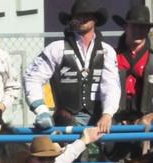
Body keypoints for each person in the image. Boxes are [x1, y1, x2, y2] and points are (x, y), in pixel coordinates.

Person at [24, 0, 119, 133]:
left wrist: (107, 114)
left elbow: (111, 85)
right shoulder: (56, 48)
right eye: (78, 16)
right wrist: (41, 111)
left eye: (88, 15)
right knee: (71, 147)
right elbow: (32, 77)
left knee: (116, 143)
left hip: (99, 117)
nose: (83, 18)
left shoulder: (107, 51)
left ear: (95, 19)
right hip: (66, 118)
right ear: (71, 20)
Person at [113, 5, 153, 122]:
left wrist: (150, 117)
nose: (138, 31)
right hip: (116, 116)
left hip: (147, 117)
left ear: (147, 30)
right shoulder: (111, 56)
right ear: (125, 27)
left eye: (142, 27)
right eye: (134, 26)